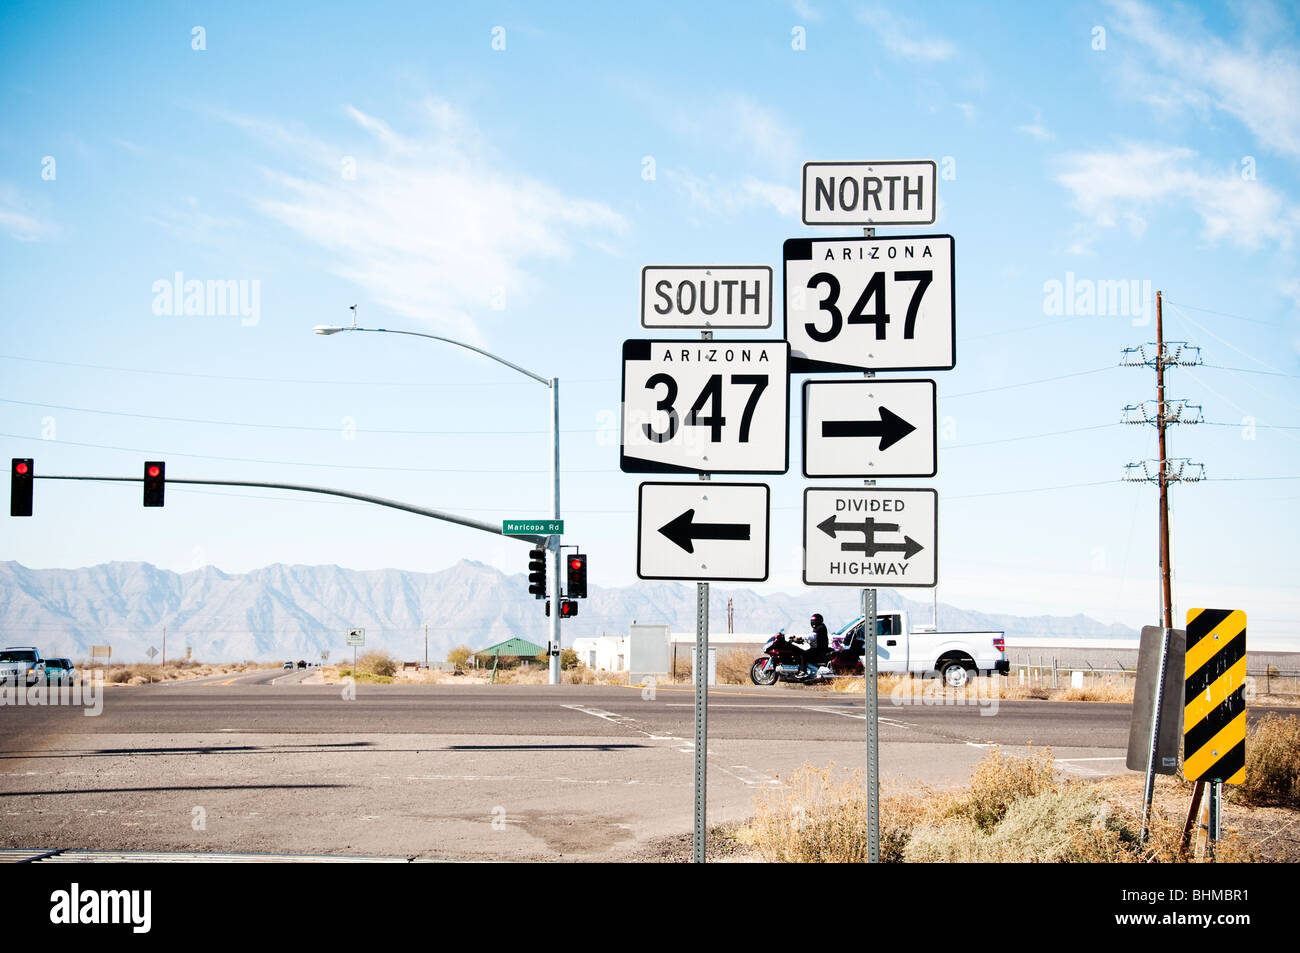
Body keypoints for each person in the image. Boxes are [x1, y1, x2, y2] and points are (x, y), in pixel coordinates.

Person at [798, 612, 830, 677]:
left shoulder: (821, 627)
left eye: (814, 620)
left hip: (819, 649)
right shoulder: (818, 627)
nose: (813, 622)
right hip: (817, 648)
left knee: (803, 654)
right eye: (812, 620)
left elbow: (813, 636)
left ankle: (803, 671)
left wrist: (801, 637)